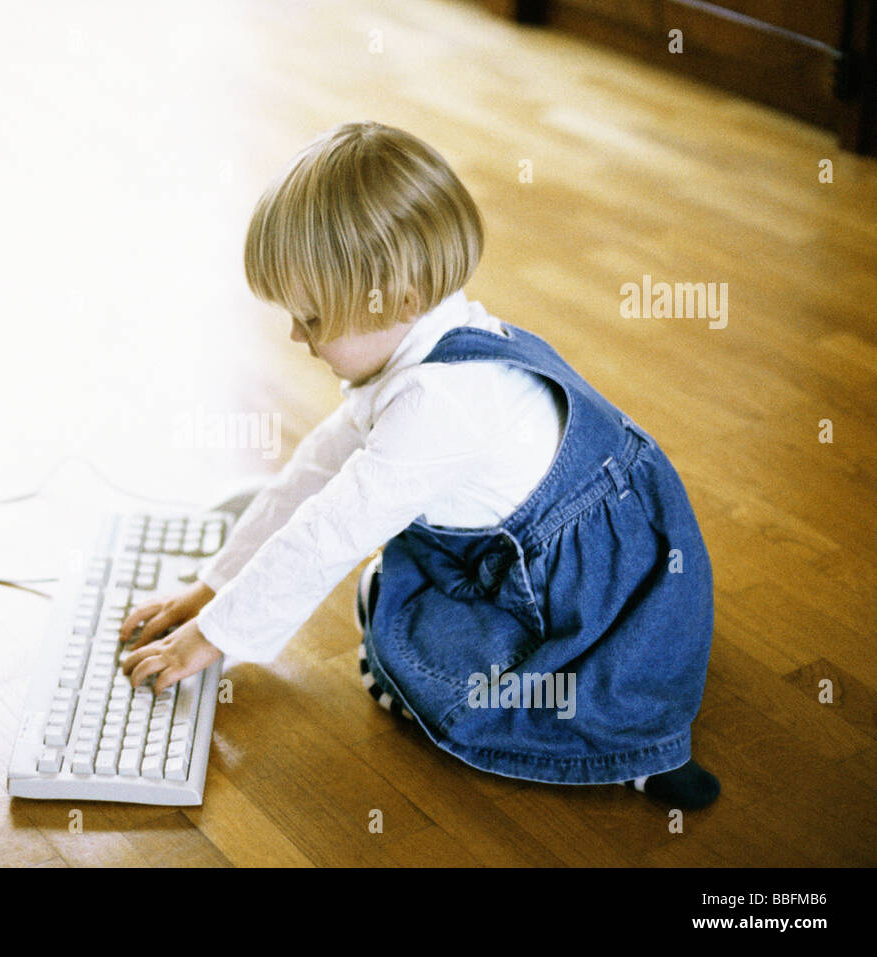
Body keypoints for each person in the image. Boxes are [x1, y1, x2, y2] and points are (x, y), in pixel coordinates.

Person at [119, 120, 719, 810]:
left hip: (590, 596)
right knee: (393, 578)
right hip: (594, 548)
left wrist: (211, 639)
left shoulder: (441, 404)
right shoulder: (427, 342)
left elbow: (328, 533)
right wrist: (213, 588)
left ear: (397, 301)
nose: (296, 337)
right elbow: (315, 476)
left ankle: (631, 742)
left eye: (312, 319)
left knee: (393, 617)